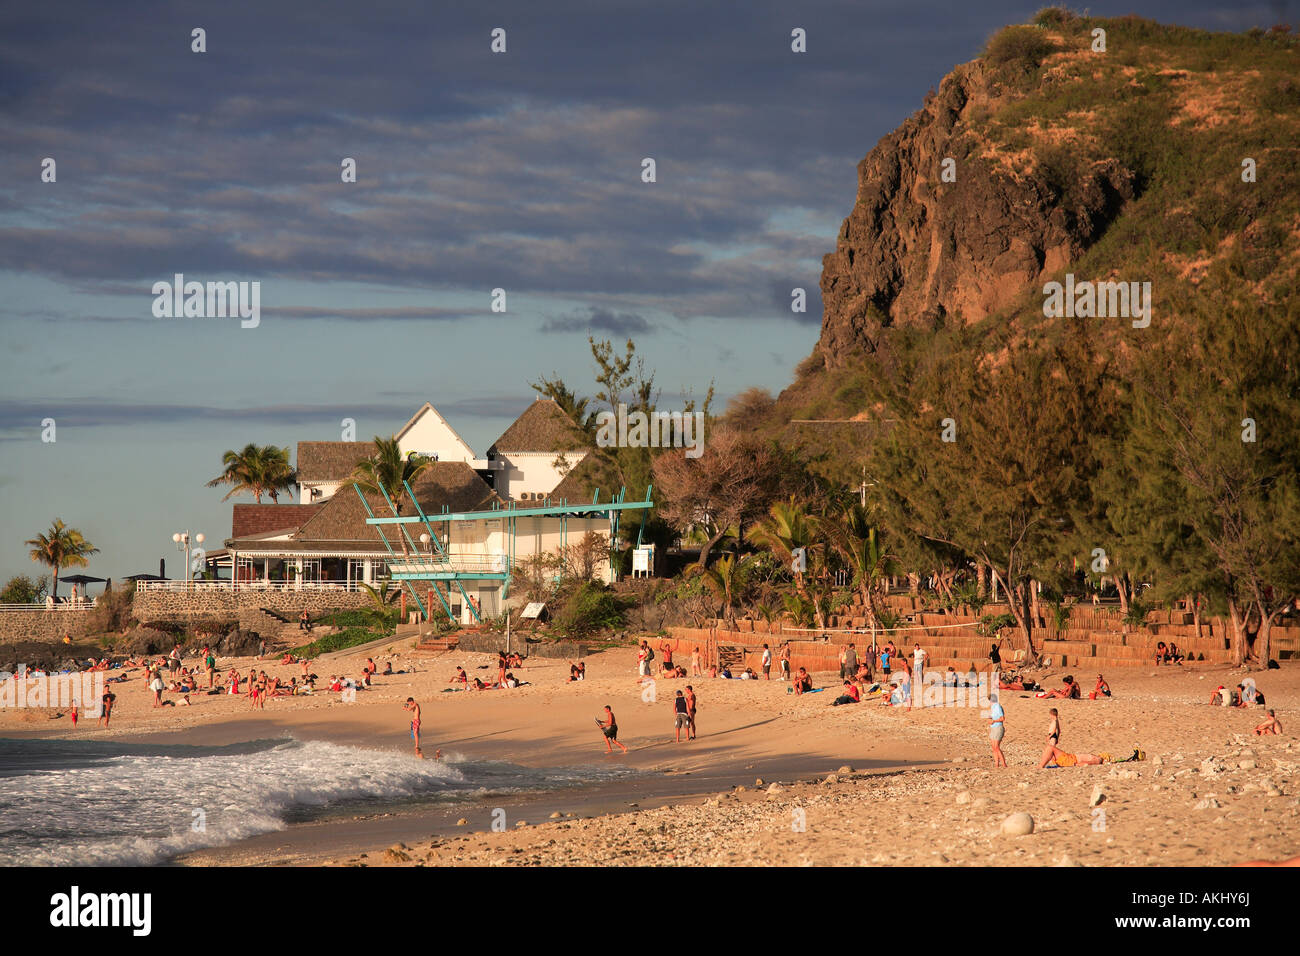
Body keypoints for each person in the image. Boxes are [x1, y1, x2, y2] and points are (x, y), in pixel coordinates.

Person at [1039, 744, 1106, 768]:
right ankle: (1041, 765)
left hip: (1071, 760)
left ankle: (1041, 765)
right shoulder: (1097, 758)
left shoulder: (1098, 759)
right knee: (1050, 748)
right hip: (1070, 758)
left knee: (1050, 748)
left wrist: (1076, 764)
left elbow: (1087, 763)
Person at [988, 692, 1007, 768]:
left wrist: (994, 721)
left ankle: (1004, 764)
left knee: (996, 747)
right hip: (993, 728)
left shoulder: (997, 706)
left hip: (998, 728)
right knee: (993, 747)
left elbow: (1002, 718)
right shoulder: (993, 707)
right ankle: (996, 764)